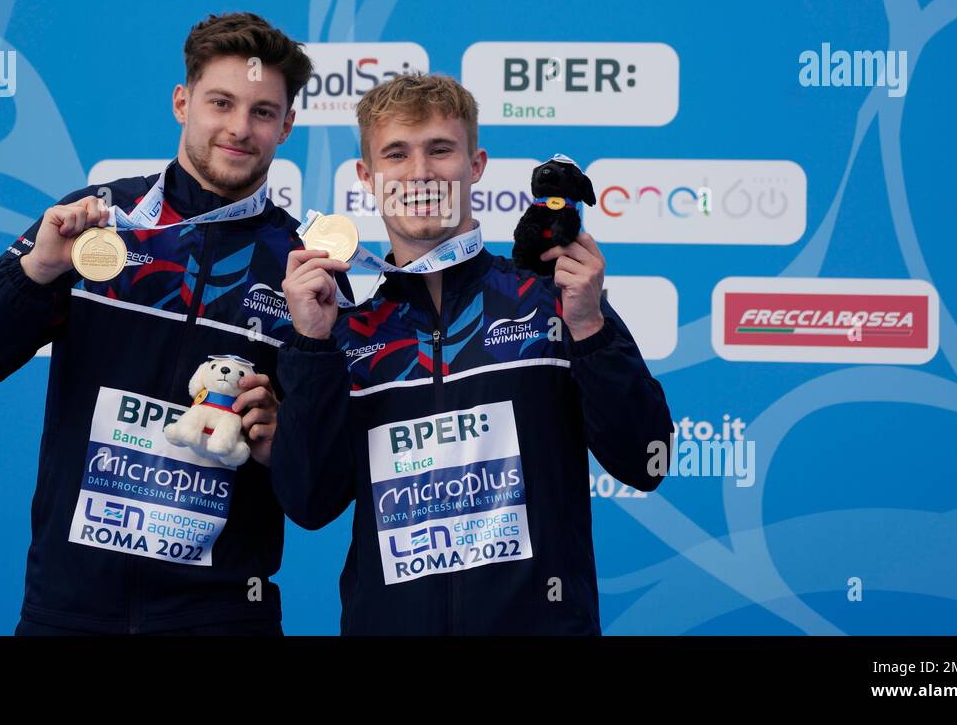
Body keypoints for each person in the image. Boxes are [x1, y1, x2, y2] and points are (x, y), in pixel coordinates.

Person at [0, 11, 350, 635]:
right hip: (69, 610)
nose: (239, 128)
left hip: (222, 619)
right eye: (220, 102)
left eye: (263, 112)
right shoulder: (98, 221)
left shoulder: (306, 271)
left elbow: (316, 500)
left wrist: (282, 440)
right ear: (183, 103)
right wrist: (37, 273)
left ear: (287, 126)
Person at [272, 73, 673, 634]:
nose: (420, 173)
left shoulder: (549, 302)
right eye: (396, 154)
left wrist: (591, 328)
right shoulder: (347, 335)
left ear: (476, 165)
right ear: (367, 177)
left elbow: (646, 460)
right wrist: (312, 347)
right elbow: (310, 504)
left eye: (440, 149)